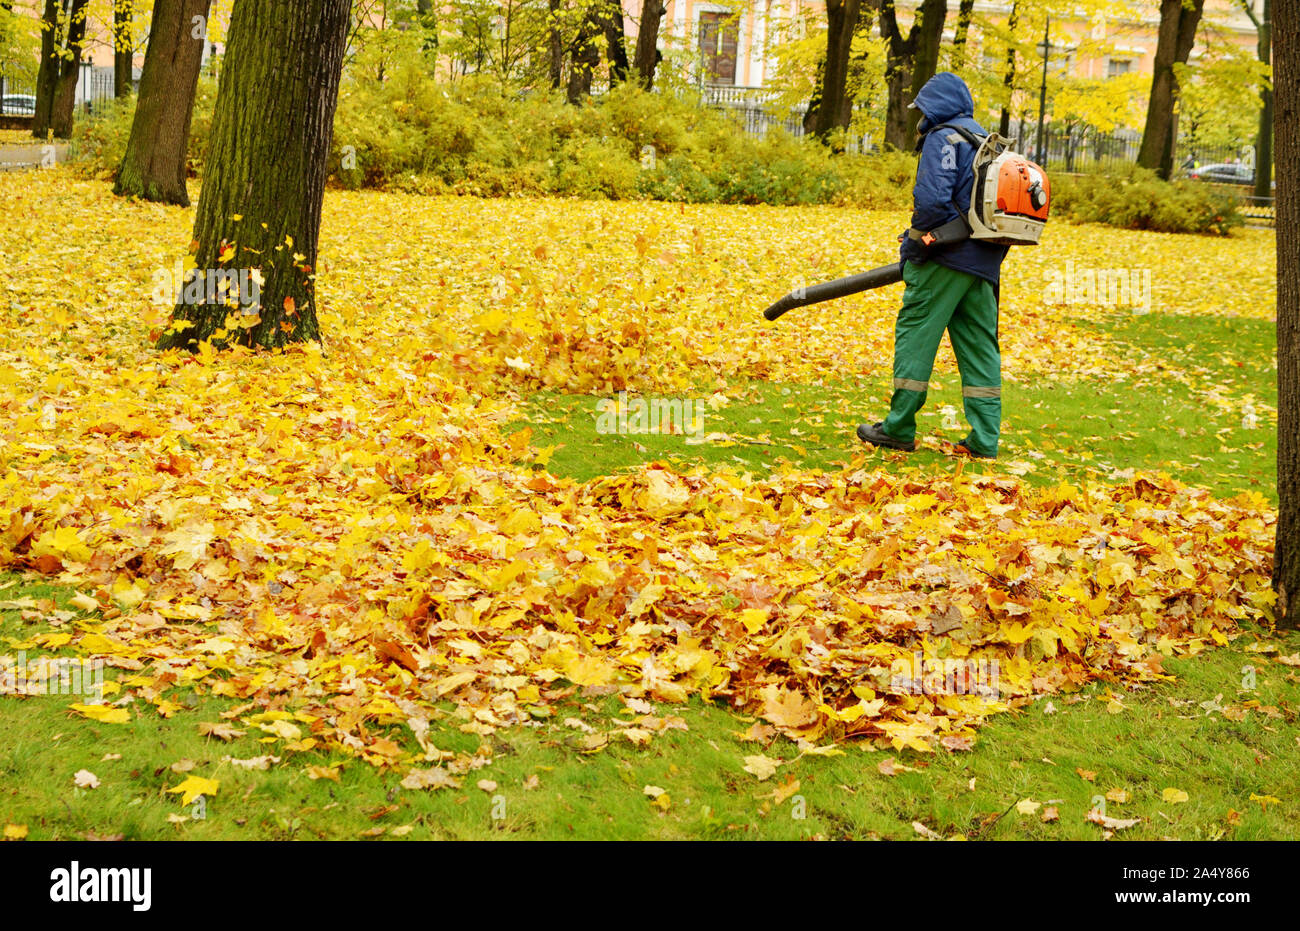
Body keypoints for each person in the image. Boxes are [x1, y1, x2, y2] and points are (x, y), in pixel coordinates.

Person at [857, 72, 1009, 460]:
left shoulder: (944, 138)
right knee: (979, 347)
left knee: (916, 337)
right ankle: (985, 438)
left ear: (936, 106)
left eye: (923, 107)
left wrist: (917, 245)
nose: (919, 115)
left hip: (944, 259)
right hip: (984, 262)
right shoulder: (985, 141)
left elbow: (931, 199)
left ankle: (898, 428)